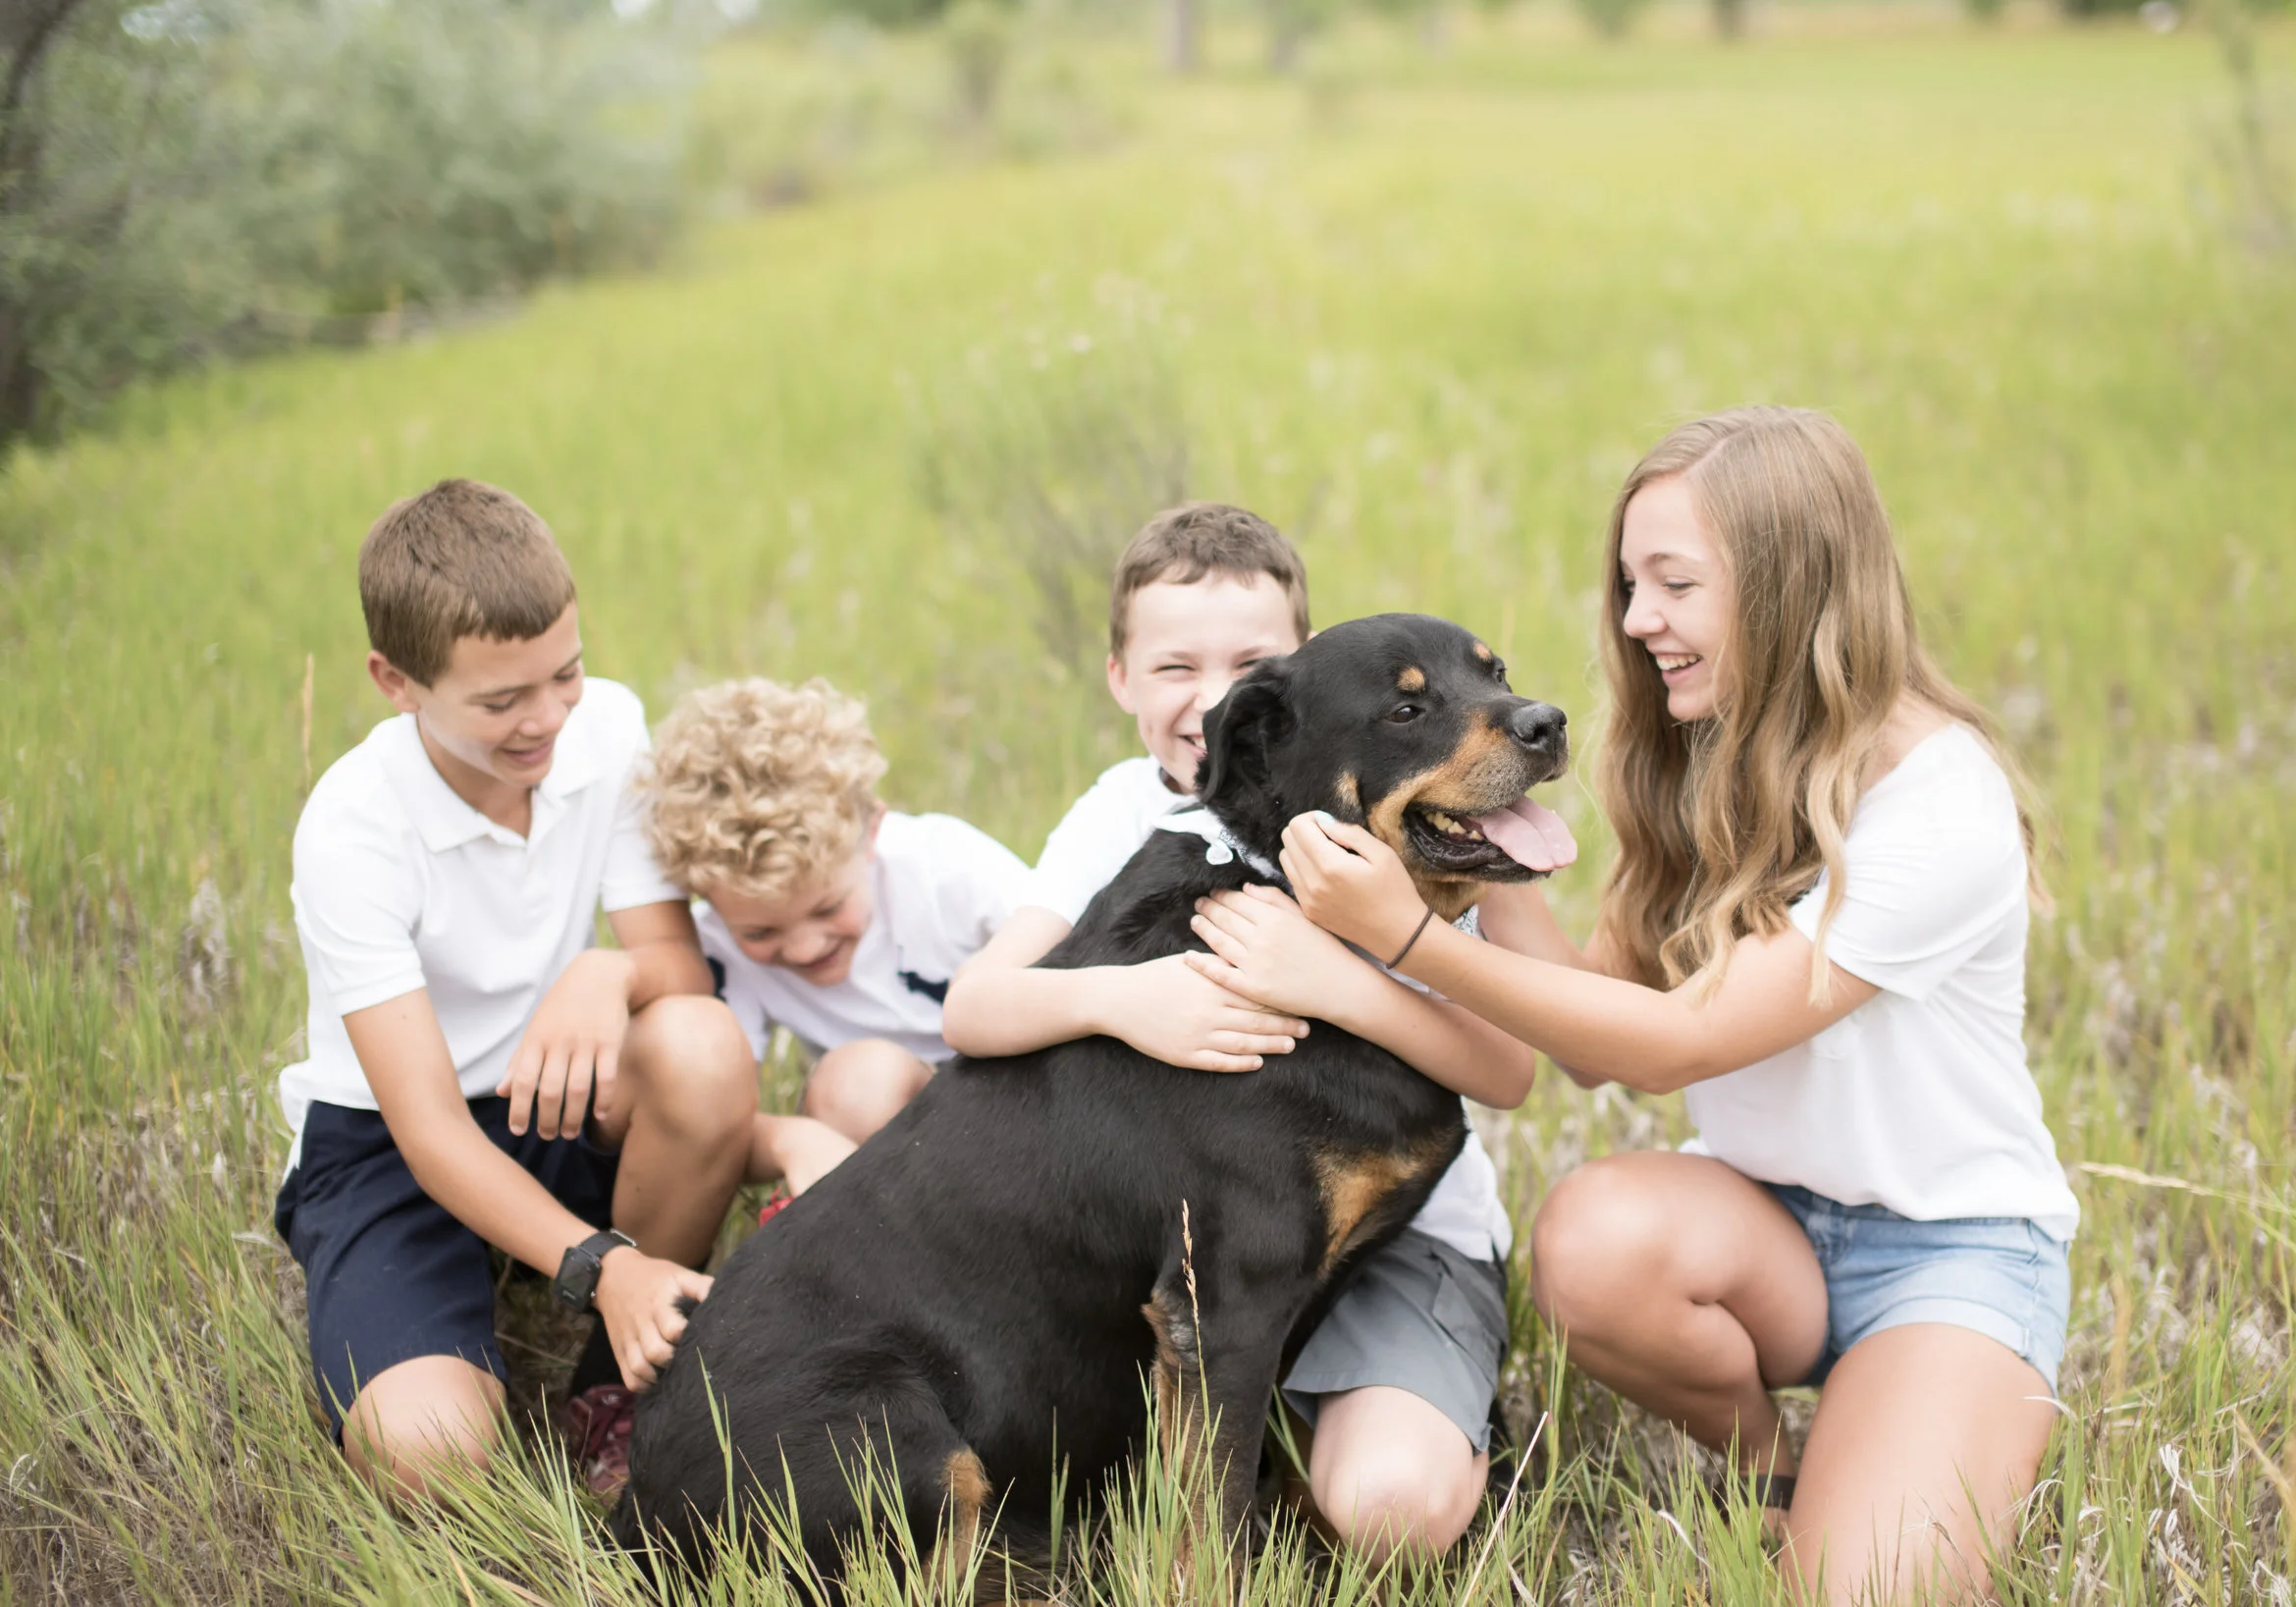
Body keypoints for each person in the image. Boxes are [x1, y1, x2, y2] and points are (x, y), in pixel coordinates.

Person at [1254, 408, 2077, 1602]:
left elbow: (1676, 1044)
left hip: (1947, 1252)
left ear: (1790, 587)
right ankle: (1773, 1470)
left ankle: (1898, 1426)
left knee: (1852, 1592)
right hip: (1765, 1234)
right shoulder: (1705, 755)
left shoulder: (1938, 801)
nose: (1638, 620)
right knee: (1594, 1238)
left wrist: (1412, 937)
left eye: (1674, 583)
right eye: (1631, 581)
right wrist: (1484, 849)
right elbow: (1595, 1019)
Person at [940, 502, 1534, 1564]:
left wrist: (1341, 977)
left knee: (1390, 1509)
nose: (1211, 697)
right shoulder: (1126, 816)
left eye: (1249, 662)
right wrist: (1121, 996)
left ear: (1300, 685)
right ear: (1119, 676)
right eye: (1175, 664)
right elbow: (975, 1008)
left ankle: (1376, 1417)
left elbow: (1511, 1069)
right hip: (1203, 1260)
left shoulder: (1452, 833)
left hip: (1395, 1250)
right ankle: (1244, 1432)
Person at [275, 480, 800, 1501]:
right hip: (389, 1143)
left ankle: (612, 1390)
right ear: (396, 680)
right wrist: (606, 1262)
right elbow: (427, 1131)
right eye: (501, 700)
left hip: (550, 1091)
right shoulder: (351, 829)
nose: (547, 716)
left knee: (698, 1041)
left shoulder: (603, 729)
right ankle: (560, 1286)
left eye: (565, 672)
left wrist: (607, 970)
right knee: (429, 1456)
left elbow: (678, 972)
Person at [636, 675, 1032, 1196]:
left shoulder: (948, 872)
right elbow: (718, 1123)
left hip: (1026, 1106)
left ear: (871, 832)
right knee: (859, 1084)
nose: (803, 947)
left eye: (828, 907)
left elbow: (1077, 966)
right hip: (896, 1145)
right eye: (759, 930)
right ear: (704, 895)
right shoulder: (719, 950)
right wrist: (793, 1139)